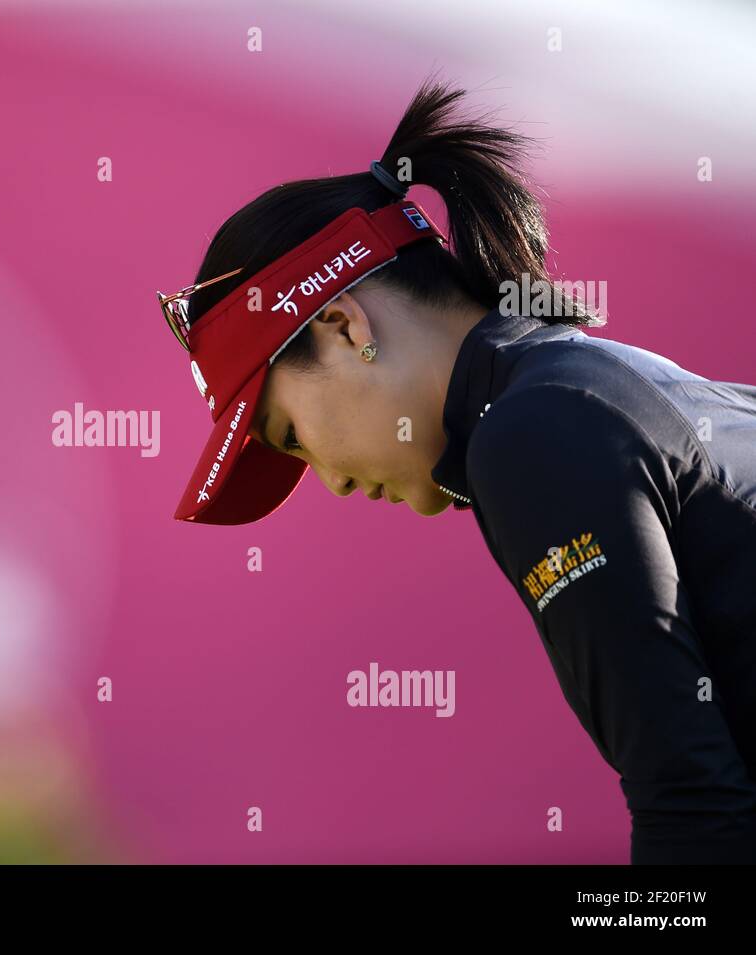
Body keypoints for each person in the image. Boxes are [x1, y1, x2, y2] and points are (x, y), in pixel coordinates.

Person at [157, 78, 756, 864]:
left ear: (342, 326)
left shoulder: (534, 433)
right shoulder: (581, 386)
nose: (332, 480)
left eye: (291, 433)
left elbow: (696, 809)